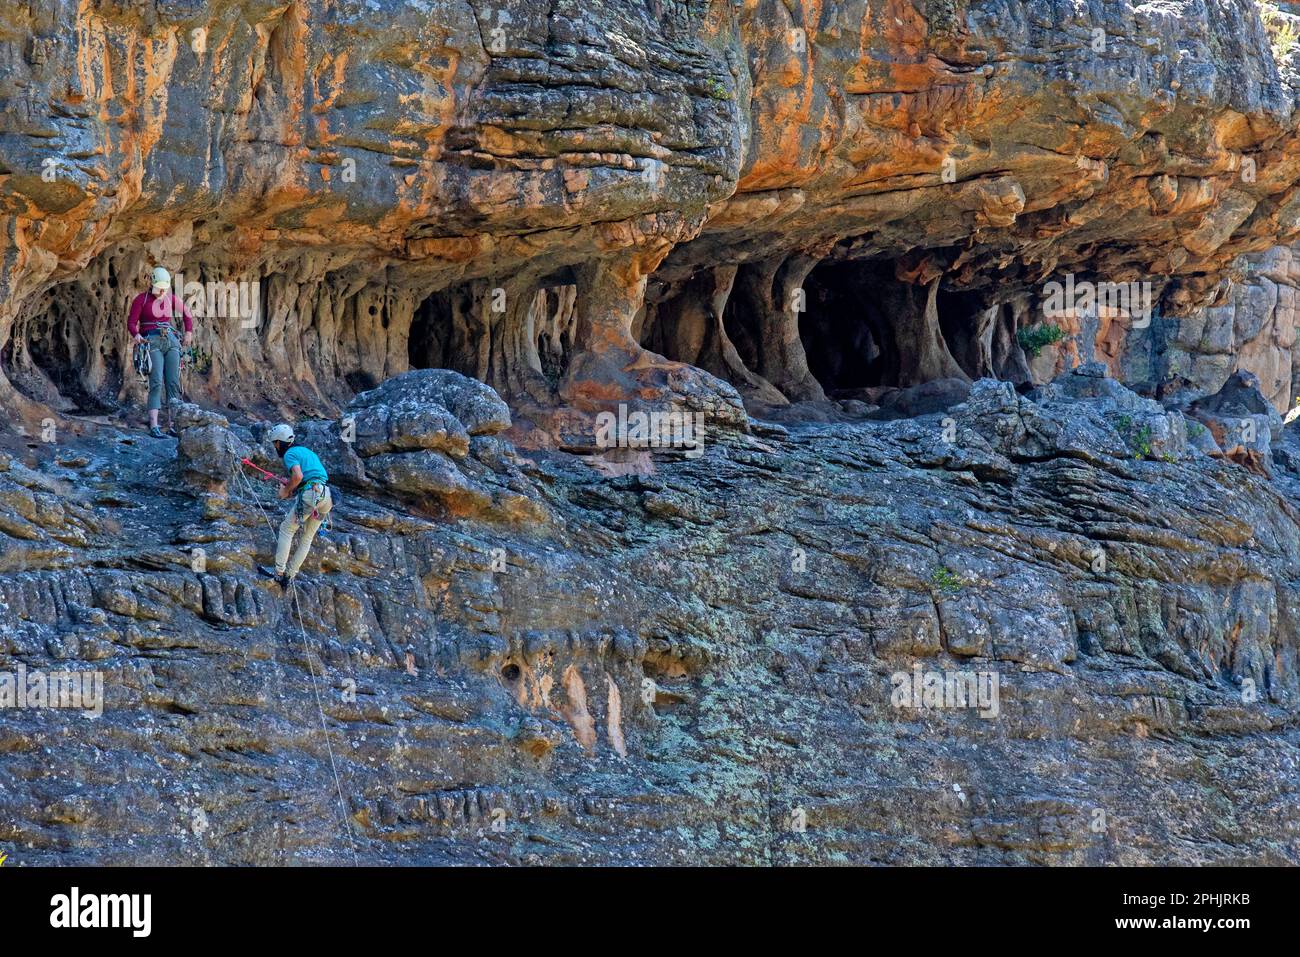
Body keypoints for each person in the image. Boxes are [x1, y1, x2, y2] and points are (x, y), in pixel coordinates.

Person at [128, 266, 194, 437]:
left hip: (171, 341)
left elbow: (187, 313)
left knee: (173, 382)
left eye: (164, 289)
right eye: (159, 289)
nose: (161, 292)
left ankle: (173, 425)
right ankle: (154, 425)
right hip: (152, 342)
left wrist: (188, 332)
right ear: (152, 283)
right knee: (156, 381)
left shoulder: (170, 298)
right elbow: (131, 322)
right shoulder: (141, 300)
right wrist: (136, 335)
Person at [266, 423, 333, 590]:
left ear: (279, 442)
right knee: (307, 538)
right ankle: (290, 575)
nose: (275, 446)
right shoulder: (307, 452)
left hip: (312, 494)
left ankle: (278, 573)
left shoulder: (289, 453)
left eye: (275, 443)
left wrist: (286, 491)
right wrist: (289, 484)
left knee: (287, 529)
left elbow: (298, 476)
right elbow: (307, 477)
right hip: (327, 496)